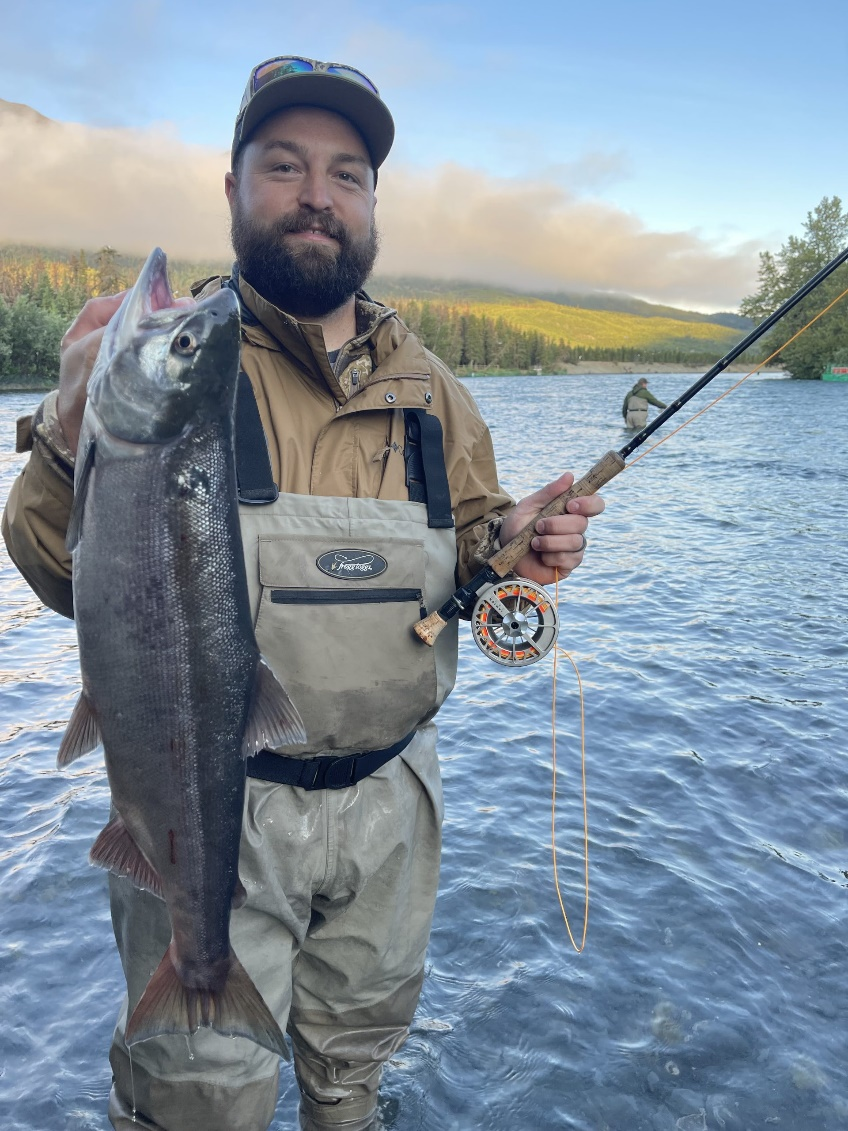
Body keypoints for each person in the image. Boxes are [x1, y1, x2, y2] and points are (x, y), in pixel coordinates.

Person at [2, 56, 606, 1131]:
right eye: (284, 165)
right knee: (196, 1102)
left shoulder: (433, 389)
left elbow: (473, 547)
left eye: (347, 174)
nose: (318, 194)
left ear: (372, 203)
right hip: (205, 801)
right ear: (232, 188)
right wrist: (66, 427)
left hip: (391, 806)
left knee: (353, 1071)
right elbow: (56, 571)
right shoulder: (174, 356)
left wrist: (514, 548)